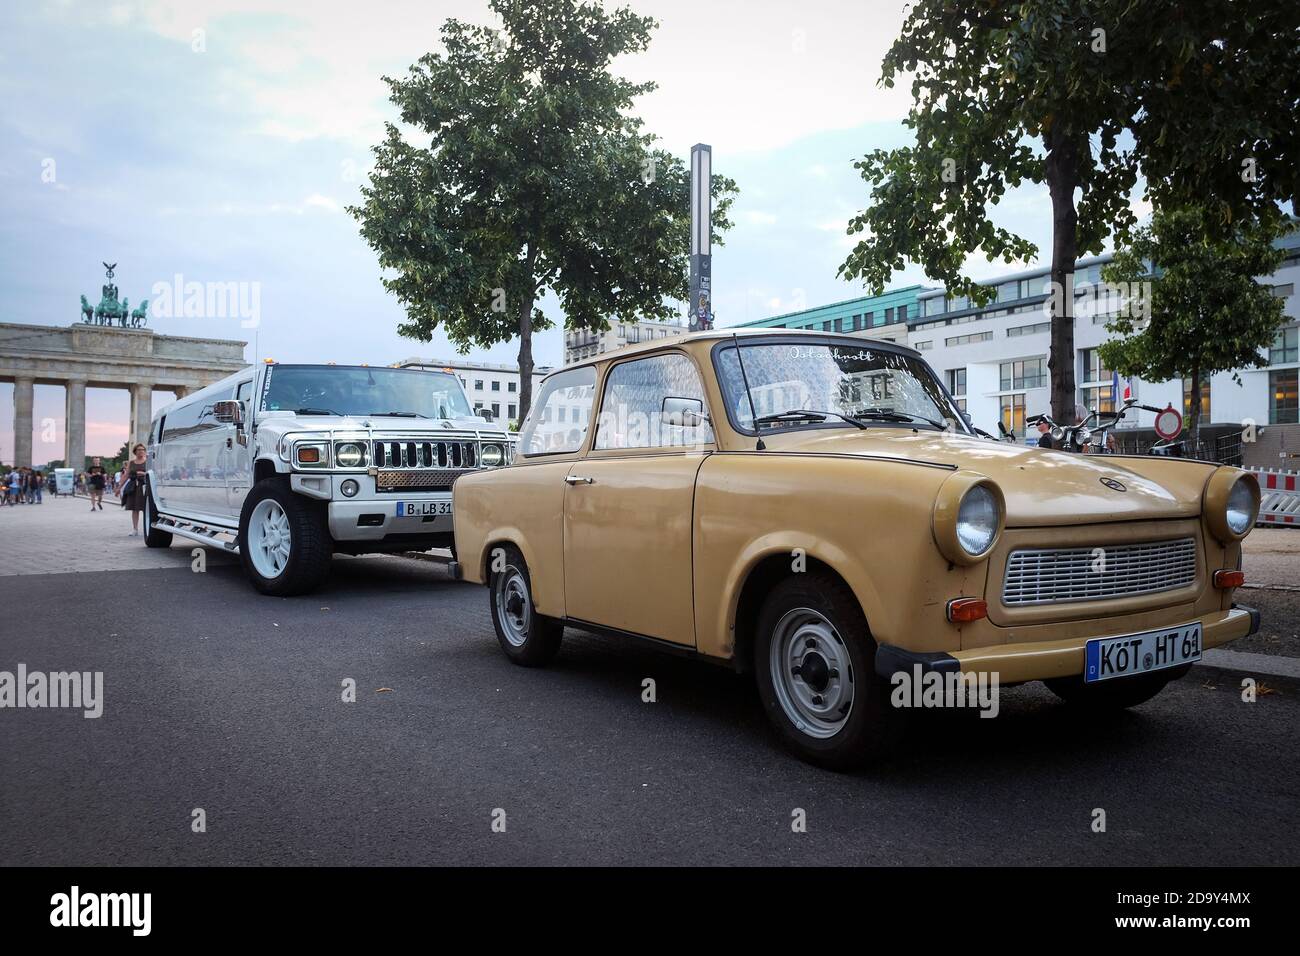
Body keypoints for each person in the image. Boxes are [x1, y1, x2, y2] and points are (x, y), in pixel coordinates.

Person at [119, 444, 149, 535]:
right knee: (134, 508)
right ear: (135, 451)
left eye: (143, 449)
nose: (141, 451)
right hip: (134, 487)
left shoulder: (148, 462)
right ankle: (135, 529)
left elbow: (153, 473)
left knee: (146, 508)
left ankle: (146, 528)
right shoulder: (131, 463)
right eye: (139, 450)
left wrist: (144, 473)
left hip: (145, 486)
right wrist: (118, 487)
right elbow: (126, 475)